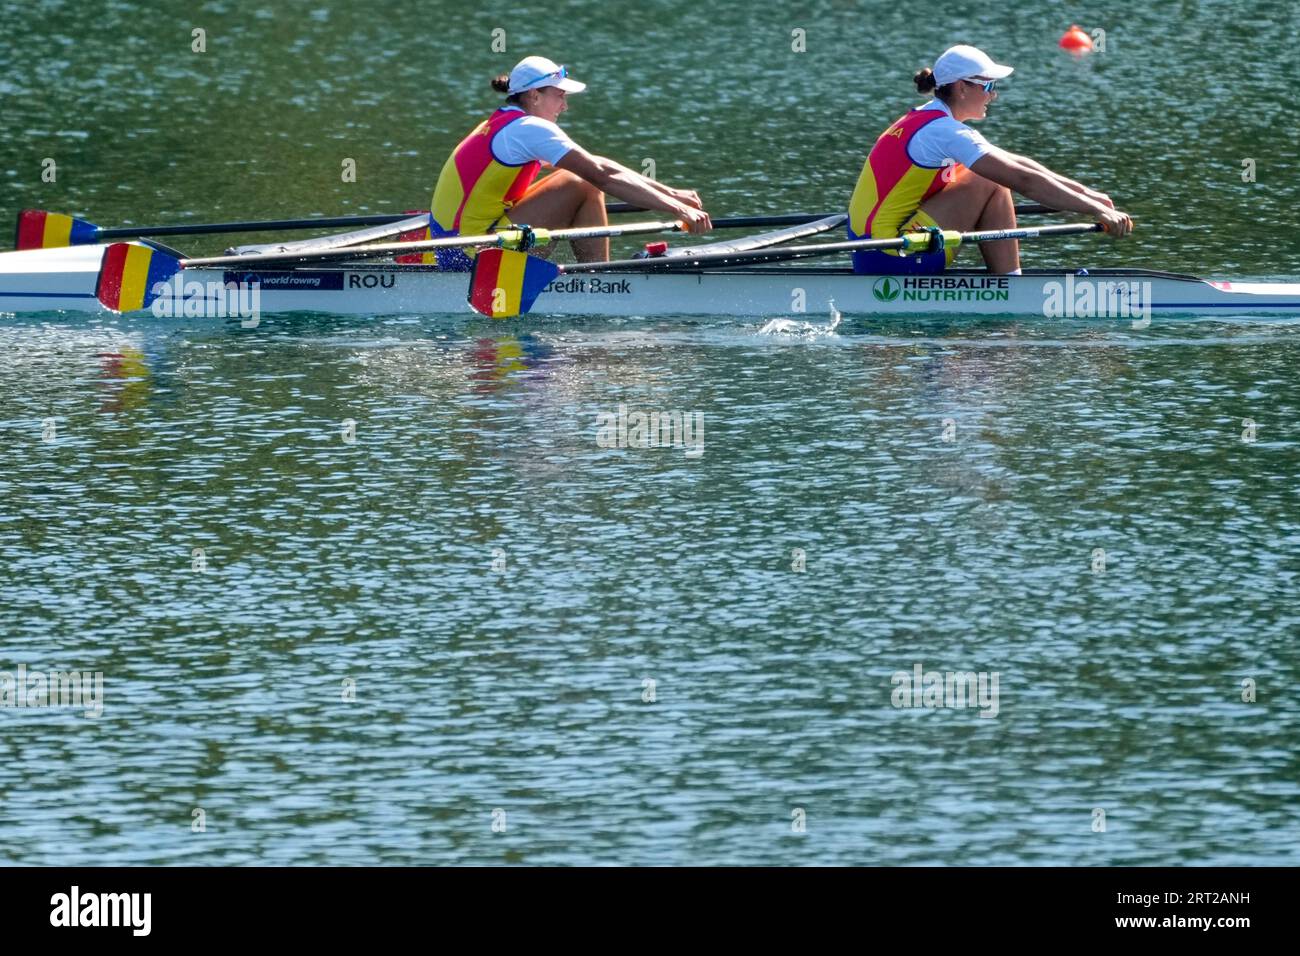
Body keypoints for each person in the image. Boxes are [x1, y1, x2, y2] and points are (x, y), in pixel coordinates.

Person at [847, 44, 1133, 275]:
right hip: (891, 254)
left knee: (994, 173)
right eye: (988, 86)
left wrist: (1089, 196)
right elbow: (1023, 180)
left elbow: (1020, 164)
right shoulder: (944, 131)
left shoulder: (927, 119)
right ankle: (1011, 287)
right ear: (961, 88)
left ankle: (1010, 283)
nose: (993, 95)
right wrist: (1097, 212)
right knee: (992, 179)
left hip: (873, 249)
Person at [430, 56, 712, 271]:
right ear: (535, 95)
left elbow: (597, 163)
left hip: (456, 247)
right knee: (582, 183)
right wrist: (678, 209)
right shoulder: (528, 129)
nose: (564, 106)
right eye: (560, 95)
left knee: (581, 179)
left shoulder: (505, 121)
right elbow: (601, 175)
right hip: (469, 256)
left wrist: (671, 193)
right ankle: (599, 284)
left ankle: (596, 278)